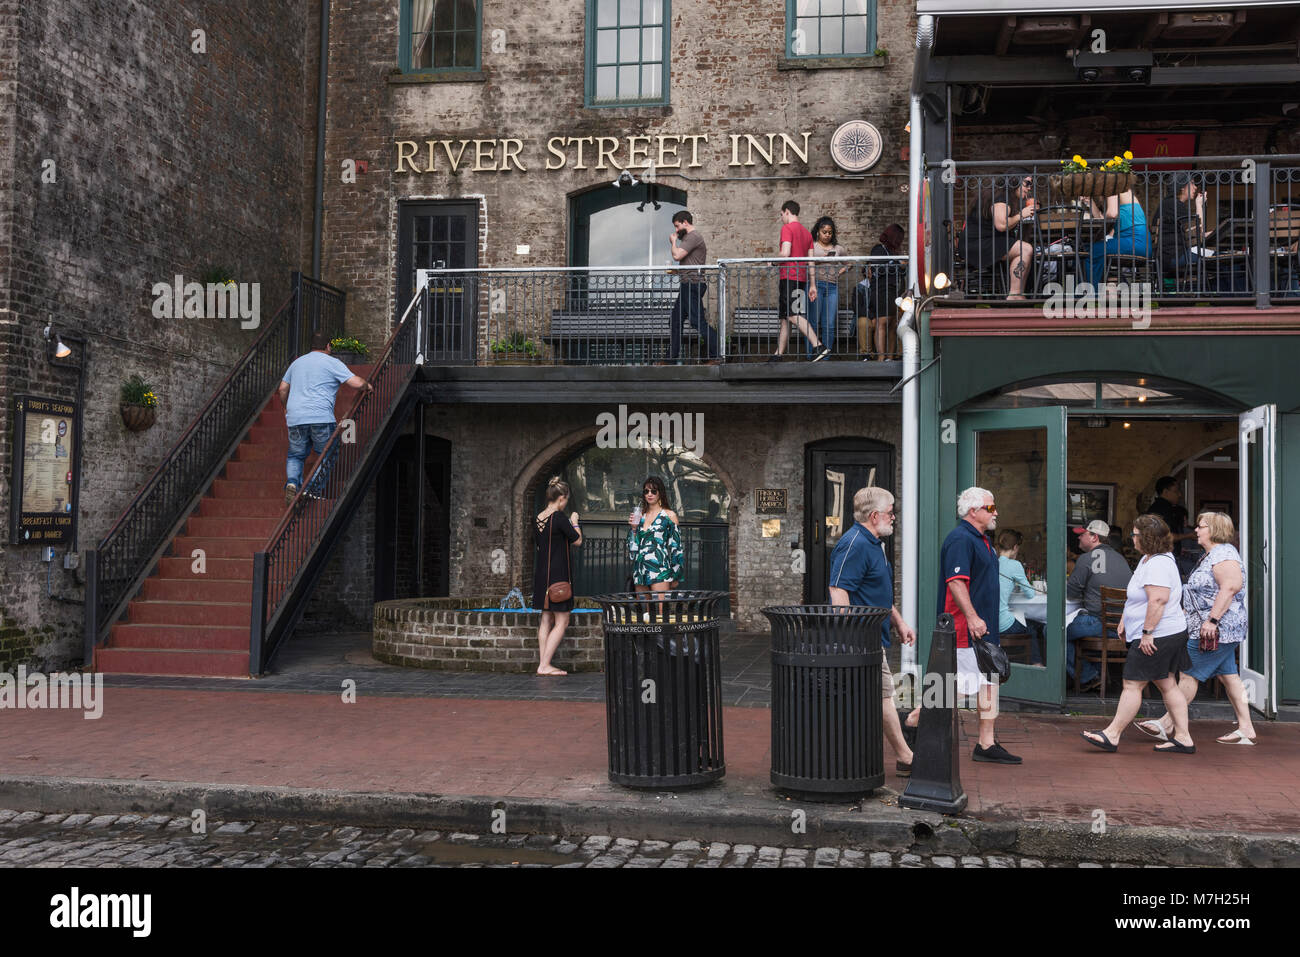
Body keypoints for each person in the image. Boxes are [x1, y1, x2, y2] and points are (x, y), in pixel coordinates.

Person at [1135, 512, 1257, 745]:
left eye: (1200, 527)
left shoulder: (1223, 554)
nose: (1196, 531)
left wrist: (1212, 620)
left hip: (1216, 630)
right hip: (1216, 629)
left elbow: (1230, 587)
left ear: (1213, 530)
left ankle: (1167, 724)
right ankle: (1246, 727)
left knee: (1189, 674)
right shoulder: (1213, 555)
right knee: (1230, 677)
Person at [1081, 515, 1195, 754]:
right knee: (1168, 684)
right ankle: (1184, 738)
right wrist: (1125, 619)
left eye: (1135, 534)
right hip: (1165, 632)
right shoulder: (1148, 560)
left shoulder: (1158, 564)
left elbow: (1158, 600)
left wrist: (1146, 633)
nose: (1131, 538)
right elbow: (1137, 597)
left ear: (1148, 538)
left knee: (1132, 683)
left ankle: (1112, 735)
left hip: (1159, 634)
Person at [827, 486, 919, 777]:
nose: (894, 518)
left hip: (873, 636)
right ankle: (906, 758)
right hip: (861, 639)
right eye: (891, 513)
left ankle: (856, 757)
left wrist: (899, 622)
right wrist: (849, 637)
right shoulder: (853, 543)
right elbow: (838, 590)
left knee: (874, 697)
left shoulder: (874, 543)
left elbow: (876, 593)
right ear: (875, 515)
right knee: (882, 696)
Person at [939, 487, 1020, 764]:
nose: (995, 511)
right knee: (956, 687)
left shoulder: (981, 539)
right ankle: (915, 719)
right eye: (990, 507)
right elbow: (956, 582)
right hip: (966, 627)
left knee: (989, 680)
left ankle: (986, 743)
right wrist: (973, 617)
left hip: (982, 627)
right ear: (973, 511)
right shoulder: (961, 539)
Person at [278, 332, 373, 507]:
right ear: (328, 346)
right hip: (320, 416)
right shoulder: (332, 362)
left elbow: (283, 388)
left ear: (312, 346)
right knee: (327, 453)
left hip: (296, 417)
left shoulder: (297, 363)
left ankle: (292, 483)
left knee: (296, 455)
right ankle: (312, 489)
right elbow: (356, 383)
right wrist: (367, 385)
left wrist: (285, 407)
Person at [1065, 520, 1133, 691]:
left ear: (1094, 537)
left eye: (1082, 534)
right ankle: (1092, 675)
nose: (1078, 538)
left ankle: (1089, 677)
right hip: (1123, 627)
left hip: (1098, 623)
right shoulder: (1120, 558)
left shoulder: (1087, 558)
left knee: (1051, 631)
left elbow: (1070, 593)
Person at [532, 477, 583, 676]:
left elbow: (538, 545)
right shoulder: (560, 518)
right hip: (558, 575)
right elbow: (577, 541)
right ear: (561, 497)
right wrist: (575, 522)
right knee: (562, 621)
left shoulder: (538, 518)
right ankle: (545, 665)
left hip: (542, 575)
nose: (566, 503)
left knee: (546, 620)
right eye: (566, 499)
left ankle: (543, 663)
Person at [959, 170, 1035, 299]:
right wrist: (1022, 214)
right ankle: (1015, 295)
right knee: (1025, 249)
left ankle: (1018, 293)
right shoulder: (1002, 198)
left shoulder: (1002, 196)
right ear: (1015, 181)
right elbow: (1001, 225)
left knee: (1023, 247)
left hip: (982, 242)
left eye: (1030, 185)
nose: (1029, 188)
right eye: (1027, 183)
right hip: (978, 244)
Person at [771, 200, 830, 361]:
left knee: (792, 315)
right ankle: (778, 355)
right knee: (785, 318)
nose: (782, 217)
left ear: (787, 212)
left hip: (788, 277)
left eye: (782, 214)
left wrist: (772, 261)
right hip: (802, 279)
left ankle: (818, 345)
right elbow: (811, 261)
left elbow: (785, 252)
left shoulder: (787, 228)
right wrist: (812, 285)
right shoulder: (806, 233)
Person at [666, 210, 720, 364]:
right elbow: (690, 263)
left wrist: (673, 242)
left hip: (693, 284)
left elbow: (677, 255)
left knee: (697, 322)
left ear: (685, 222)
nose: (676, 230)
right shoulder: (690, 238)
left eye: (677, 226)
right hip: (687, 284)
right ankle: (671, 358)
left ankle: (716, 355)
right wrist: (676, 270)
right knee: (675, 320)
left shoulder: (693, 236)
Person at [627, 476, 684, 596]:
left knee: (660, 612)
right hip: (640, 569)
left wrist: (676, 576)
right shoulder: (640, 516)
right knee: (642, 613)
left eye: (653, 491)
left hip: (659, 567)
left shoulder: (669, 515)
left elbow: (676, 548)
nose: (649, 494)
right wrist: (633, 529)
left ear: (660, 493)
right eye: (646, 491)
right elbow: (633, 550)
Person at [1086, 184, 1150, 286]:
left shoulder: (1113, 184)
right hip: (1135, 243)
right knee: (1090, 249)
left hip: (1134, 242)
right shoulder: (1123, 190)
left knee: (1091, 251)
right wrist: (1090, 201)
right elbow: (1106, 218)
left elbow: (1111, 214)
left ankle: (1092, 293)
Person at [996, 529, 1044, 666]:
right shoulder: (1015, 565)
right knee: (1033, 626)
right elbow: (1030, 593)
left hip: (990, 622)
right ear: (1015, 547)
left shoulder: (992, 563)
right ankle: (1037, 663)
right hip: (1004, 623)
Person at [806, 216, 848, 358]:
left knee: (829, 324)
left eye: (830, 232)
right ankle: (811, 353)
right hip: (815, 285)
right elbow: (805, 265)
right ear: (818, 231)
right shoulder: (812, 246)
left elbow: (849, 263)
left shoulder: (838, 248)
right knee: (813, 322)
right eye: (824, 232)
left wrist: (838, 273)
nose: (827, 235)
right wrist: (820, 260)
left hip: (832, 287)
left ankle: (826, 355)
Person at [861, 223, 904, 360]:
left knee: (892, 324)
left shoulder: (893, 252)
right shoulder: (878, 249)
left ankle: (889, 357)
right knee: (882, 323)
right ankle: (881, 358)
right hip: (880, 290)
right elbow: (878, 269)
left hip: (893, 290)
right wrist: (898, 264)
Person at [1155, 172, 1205, 287]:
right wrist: (1199, 205)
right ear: (1182, 187)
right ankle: (1232, 298)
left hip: (1167, 257)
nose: (1196, 187)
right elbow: (1196, 236)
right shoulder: (1175, 205)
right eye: (1192, 183)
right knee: (1225, 259)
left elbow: (1193, 233)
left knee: (1217, 257)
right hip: (1174, 257)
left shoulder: (1168, 204)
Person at [1145, 476, 1195, 567]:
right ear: (1165, 492)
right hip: (1162, 559)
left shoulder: (1164, 507)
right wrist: (1189, 535)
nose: (1179, 495)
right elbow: (1163, 536)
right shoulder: (1161, 509)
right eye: (1176, 491)